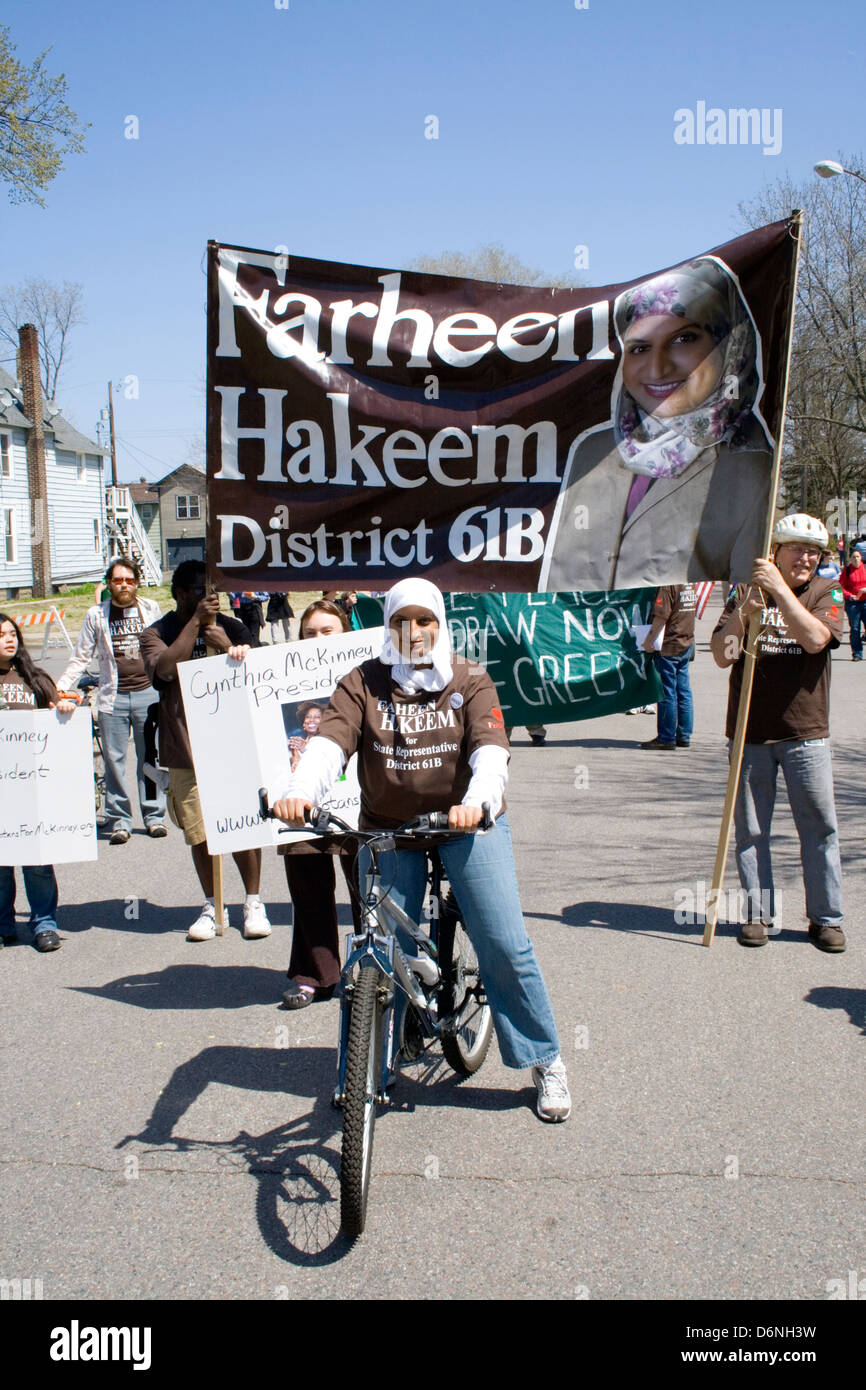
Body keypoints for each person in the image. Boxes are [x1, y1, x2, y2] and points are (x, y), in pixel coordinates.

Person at [273, 578, 571, 1122]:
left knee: (503, 941)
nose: (415, 632)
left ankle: (544, 1057)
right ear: (388, 626)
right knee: (379, 948)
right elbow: (328, 746)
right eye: (402, 621)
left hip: (465, 824)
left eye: (425, 620)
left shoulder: (469, 678)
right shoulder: (362, 682)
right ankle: (366, 1064)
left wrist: (478, 802)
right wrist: (299, 792)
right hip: (388, 826)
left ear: (439, 623)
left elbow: (491, 754)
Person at [542, 256, 774, 590]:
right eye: (640, 347)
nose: (656, 368)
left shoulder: (751, 465)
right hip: (583, 640)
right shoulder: (594, 451)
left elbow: (746, 600)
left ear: (728, 345)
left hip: (683, 641)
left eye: (684, 339)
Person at [710, 514, 846, 952]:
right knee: (750, 832)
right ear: (776, 552)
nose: (805, 558)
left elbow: (814, 639)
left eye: (813, 552)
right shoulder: (747, 591)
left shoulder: (826, 591)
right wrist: (742, 615)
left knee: (819, 830)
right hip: (750, 733)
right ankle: (757, 914)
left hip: (806, 733)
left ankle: (825, 918)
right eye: (796, 549)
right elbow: (721, 654)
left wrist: (780, 591)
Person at [139, 562, 272, 942]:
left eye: (212, 590)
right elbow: (163, 671)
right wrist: (195, 626)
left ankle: (253, 901)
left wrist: (227, 646)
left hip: (234, 746)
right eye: (199, 590)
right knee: (200, 833)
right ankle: (213, 905)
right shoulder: (157, 632)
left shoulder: (231, 627)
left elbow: (262, 674)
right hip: (185, 749)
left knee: (242, 826)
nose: (207, 598)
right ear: (179, 594)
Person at [279, 600, 361, 1009]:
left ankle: (373, 969)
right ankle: (315, 974)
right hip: (302, 801)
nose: (318, 639)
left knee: (368, 885)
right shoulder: (280, 670)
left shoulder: (369, 671)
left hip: (358, 801)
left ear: (346, 633)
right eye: (310, 632)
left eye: (327, 631)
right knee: (307, 883)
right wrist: (236, 656)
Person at [58, 556, 166, 844]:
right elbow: (81, 656)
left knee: (150, 758)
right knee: (114, 761)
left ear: (137, 583)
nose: (124, 585)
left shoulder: (150, 609)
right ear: (108, 584)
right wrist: (59, 687)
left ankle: (154, 815)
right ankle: (120, 819)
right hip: (111, 697)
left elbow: (163, 647)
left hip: (148, 694)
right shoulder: (96, 615)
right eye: (118, 580)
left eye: (129, 580)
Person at [0, 614, 77, 952]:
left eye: (12, 633)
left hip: (31, 786)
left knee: (37, 862)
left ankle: (44, 924)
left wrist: (63, 708)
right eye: (0, 635)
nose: (8, 639)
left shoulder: (33, 678)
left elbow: (57, 711)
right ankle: (4, 925)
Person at [640, 583, 697, 750]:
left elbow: (661, 616)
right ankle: (684, 734)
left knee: (667, 692)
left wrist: (649, 640)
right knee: (683, 691)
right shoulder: (689, 583)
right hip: (685, 641)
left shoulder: (668, 585)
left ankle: (666, 737)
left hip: (669, 644)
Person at [840, 545, 866, 661]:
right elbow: (839, 588)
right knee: (855, 629)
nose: (856, 559)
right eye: (853, 557)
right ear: (850, 559)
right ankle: (857, 653)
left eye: (858, 557)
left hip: (865, 601)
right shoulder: (847, 571)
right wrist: (850, 596)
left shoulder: (865, 568)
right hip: (853, 604)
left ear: (861, 558)